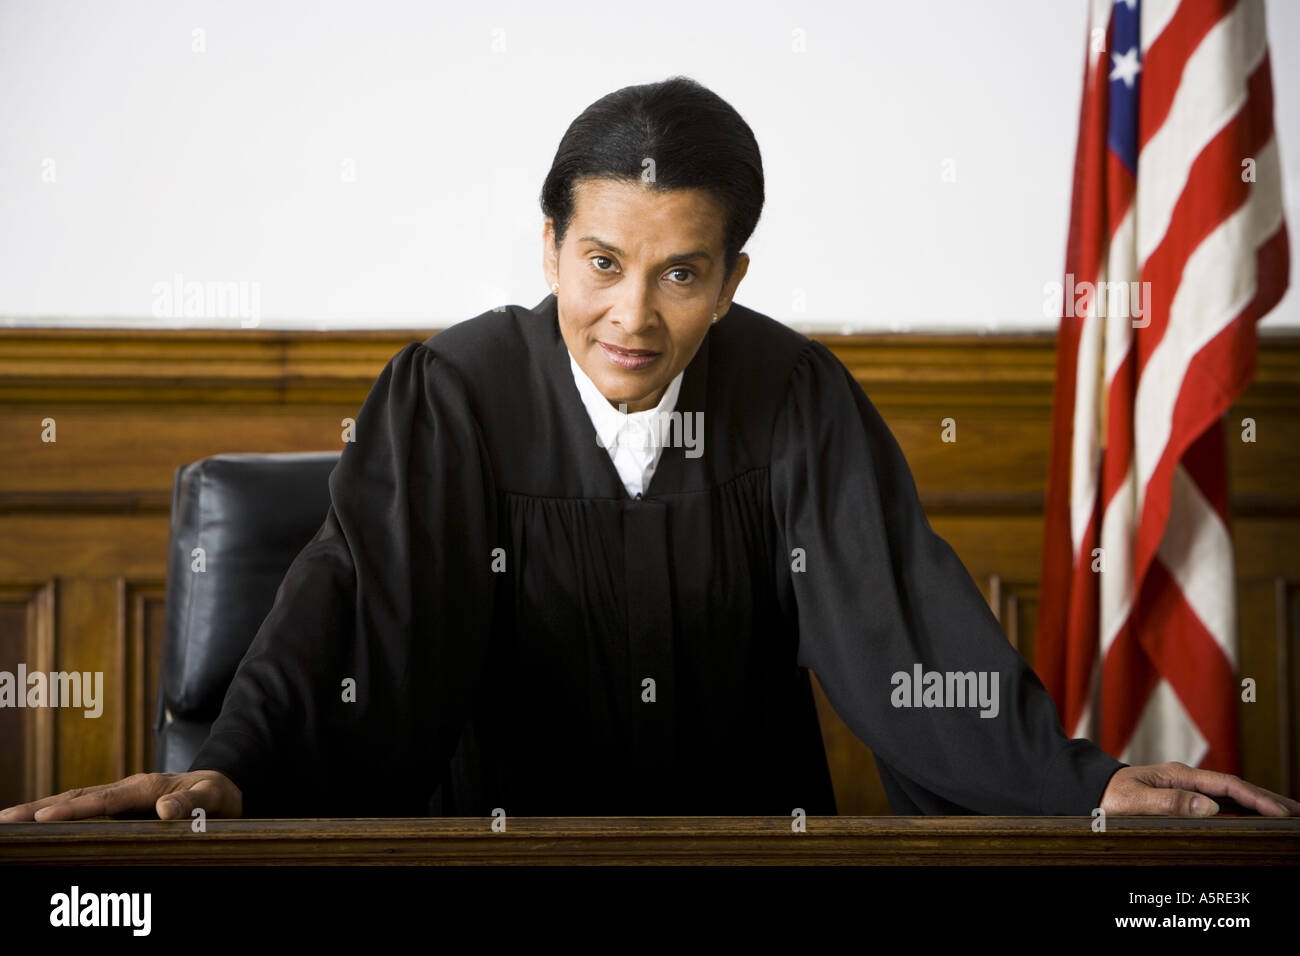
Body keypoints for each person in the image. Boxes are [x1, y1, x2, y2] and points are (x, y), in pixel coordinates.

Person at [3, 75, 1296, 824]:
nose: (634, 315)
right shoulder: (450, 395)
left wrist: (1089, 785)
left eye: (682, 274)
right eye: (603, 264)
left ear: (732, 276)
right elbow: (356, 621)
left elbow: (908, 646)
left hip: (745, 859)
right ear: (551, 247)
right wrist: (231, 771)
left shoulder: (794, 398)